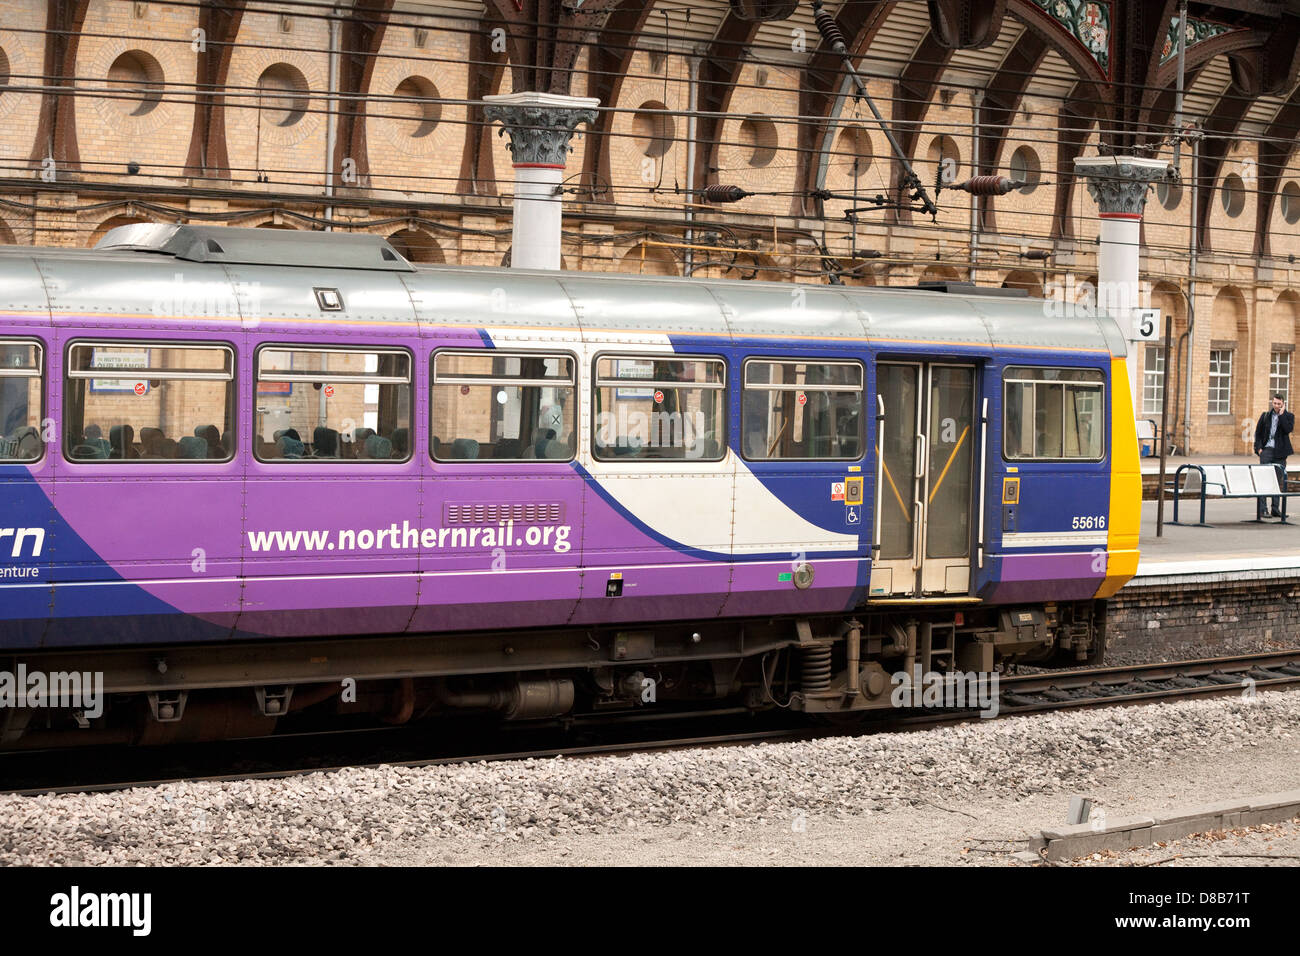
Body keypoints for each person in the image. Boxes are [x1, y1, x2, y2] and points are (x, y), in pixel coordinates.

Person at [1254, 393, 1294, 518]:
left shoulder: (1289, 416)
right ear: (1272, 402)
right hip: (1266, 451)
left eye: (1279, 404)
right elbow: (1258, 433)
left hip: (1280, 453)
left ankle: (1275, 509)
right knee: (1264, 479)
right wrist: (1259, 448)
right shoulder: (1266, 416)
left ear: (1283, 404)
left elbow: (1288, 429)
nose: (1276, 406)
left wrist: (1282, 415)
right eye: (1275, 403)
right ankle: (1263, 509)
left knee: (1277, 481)